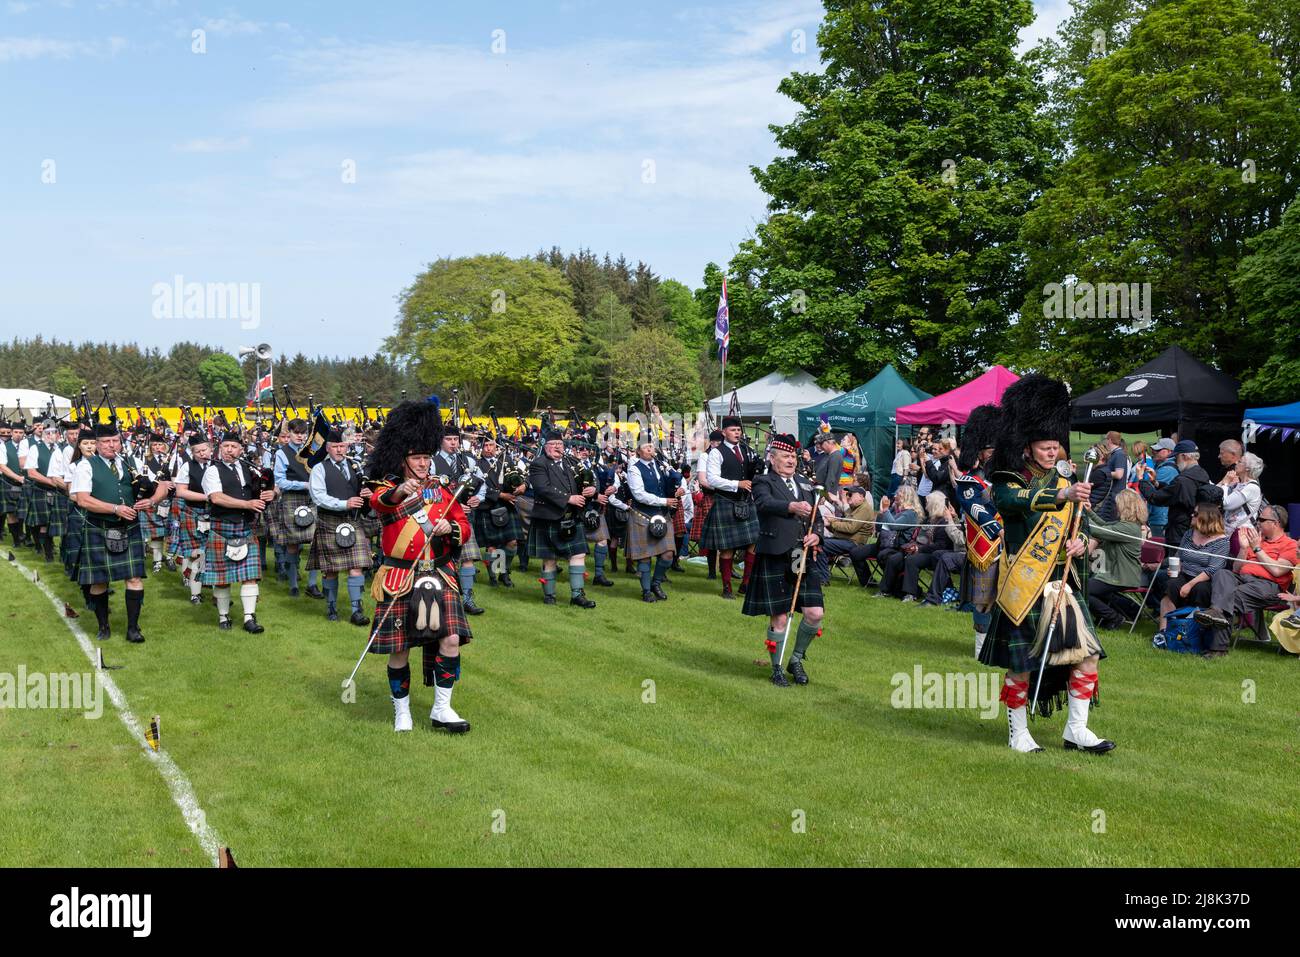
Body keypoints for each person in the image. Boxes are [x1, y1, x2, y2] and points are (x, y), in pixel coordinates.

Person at [978, 375, 1113, 755]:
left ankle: (1077, 730)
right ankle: (1018, 733)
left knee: (1086, 656)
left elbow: (1084, 527)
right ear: (1027, 447)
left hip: (1061, 581)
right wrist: (1062, 494)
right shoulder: (1008, 479)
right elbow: (1014, 501)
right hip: (1025, 579)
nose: (1052, 453)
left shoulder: (1068, 479)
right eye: (1045, 446)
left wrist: (1081, 543)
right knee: (1021, 663)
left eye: (1056, 446)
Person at [364, 400, 473, 734]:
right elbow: (380, 503)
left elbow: (464, 526)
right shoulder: (387, 488)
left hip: (439, 573)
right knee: (399, 648)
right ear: (403, 460)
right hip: (401, 575)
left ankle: (442, 709)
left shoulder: (442, 489)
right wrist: (401, 489)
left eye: (427, 457)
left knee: (451, 639)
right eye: (417, 458)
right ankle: (402, 713)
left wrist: (449, 530)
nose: (424, 463)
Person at [70, 422, 169, 643]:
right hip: (100, 527)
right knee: (99, 581)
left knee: (134, 578)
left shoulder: (132, 462)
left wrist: (152, 500)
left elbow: (163, 485)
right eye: (105, 441)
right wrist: (115, 508)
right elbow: (83, 499)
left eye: (115, 441)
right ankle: (103, 625)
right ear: (96, 444)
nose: (111, 445)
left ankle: (133, 628)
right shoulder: (86, 466)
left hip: (130, 528)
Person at [742, 433, 825, 687]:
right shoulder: (762, 481)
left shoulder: (806, 484)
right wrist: (791, 507)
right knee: (779, 616)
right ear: (773, 458)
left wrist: (817, 536)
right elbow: (764, 504)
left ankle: (796, 659)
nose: (791, 460)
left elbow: (816, 517)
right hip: (776, 552)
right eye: (785, 456)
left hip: (802, 555)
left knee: (814, 613)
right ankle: (777, 666)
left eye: (793, 456)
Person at [1195, 505, 1297, 658]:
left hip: (1267, 586)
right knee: (1223, 573)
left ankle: (1218, 648)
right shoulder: (1257, 540)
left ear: (1275, 523)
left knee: (1227, 598)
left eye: (1262, 519)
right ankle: (1216, 612)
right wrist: (1243, 549)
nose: (1257, 522)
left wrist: (1257, 549)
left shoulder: (1290, 544)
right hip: (1242, 579)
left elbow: (1277, 571)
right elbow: (1236, 568)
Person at [201, 430, 276, 632]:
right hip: (222, 527)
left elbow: (261, 491)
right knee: (222, 578)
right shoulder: (212, 471)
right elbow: (216, 497)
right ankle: (224, 616)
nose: (229, 450)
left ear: (241, 449)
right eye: (225, 446)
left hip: (245, 527)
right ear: (219, 449)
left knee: (249, 575)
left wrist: (271, 492)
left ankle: (249, 618)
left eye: (233, 446)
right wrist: (247, 504)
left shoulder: (247, 469)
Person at [307, 429, 373, 625]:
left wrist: (366, 494)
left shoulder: (355, 466)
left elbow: (360, 491)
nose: (339, 450)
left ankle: (356, 610)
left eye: (342, 446)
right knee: (331, 570)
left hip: (353, 522)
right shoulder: (319, 469)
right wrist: (345, 503)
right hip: (330, 522)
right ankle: (331, 607)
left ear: (347, 446)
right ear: (328, 448)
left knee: (356, 567)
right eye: (335, 446)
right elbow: (318, 497)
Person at [527, 428, 597, 608]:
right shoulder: (539, 464)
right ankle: (549, 594)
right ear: (545, 447)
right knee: (550, 558)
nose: (557, 447)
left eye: (560, 444)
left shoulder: (571, 461)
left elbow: (588, 479)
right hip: (549, 517)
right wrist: (568, 498)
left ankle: (577, 595)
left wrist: (592, 489)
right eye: (553, 444)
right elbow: (543, 489)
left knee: (579, 554)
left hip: (572, 516)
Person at [700, 416, 761, 600]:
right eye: (733, 430)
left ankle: (746, 583)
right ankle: (726, 587)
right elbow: (713, 479)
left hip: (745, 502)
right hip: (726, 502)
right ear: (724, 432)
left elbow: (748, 474)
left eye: (738, 430)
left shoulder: (744, 450)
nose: (737, 433)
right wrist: (737, 484)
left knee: (754, 543)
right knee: (727, 548)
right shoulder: (716, 453)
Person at [432, 425, 486, 615]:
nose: (453, 443)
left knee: (468, 558)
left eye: (456, 439)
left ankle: (468, 599)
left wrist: (478, 498)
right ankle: (445, 598)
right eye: (449, 439)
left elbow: (482, 483)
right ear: (441, 440)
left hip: (462, 518)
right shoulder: (432, 462)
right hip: (440, 519)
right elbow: (429, 490)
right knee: (443, 560)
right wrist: (452, 507)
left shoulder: (468, 460)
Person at [624, 435, 685, 602]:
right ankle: (646, 591)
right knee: (644, 556)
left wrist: (678, 490)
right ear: (638, 451)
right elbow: (639, 494)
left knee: (667, 555)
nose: (651, 450)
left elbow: (675, 481)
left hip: (661, 515)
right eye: (646, 447)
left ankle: (655, 583)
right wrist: (664, 501)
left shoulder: (660, 465)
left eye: (652, 447)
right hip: (642, 516)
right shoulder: (634, 468)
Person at [1155, 503, 1229, 635]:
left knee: (1199, 590)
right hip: (1185, 573)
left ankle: (1191, 633)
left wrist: (1189, 585)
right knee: (1171, 586)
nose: (1191, 515)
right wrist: (1175, 569)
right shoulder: (1189, 534)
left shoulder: (1222, 542)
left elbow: (1213, 569)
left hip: (1205, 579)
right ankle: (1164, 632)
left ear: (1206, 518)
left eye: (1195, 514)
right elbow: (1180, 556)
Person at [1084, 488, 1147, 629]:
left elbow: (1099, 531)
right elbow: (1104, 525)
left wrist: (1080, 517)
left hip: (1122, 576)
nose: (1115, 507)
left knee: (1083, 589)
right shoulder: (1125, 525)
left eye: (1118, 504)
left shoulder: (1129, 528)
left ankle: (1114, 617)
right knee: (1086, 586)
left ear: (1126, 507)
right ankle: (1109, 617)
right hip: (1113, 574)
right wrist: (1088, 511)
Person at [271, 419, 319, 598]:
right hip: (292, 498)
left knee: (316, 541)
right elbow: (280, 481)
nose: (300, 436)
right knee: (293, 543)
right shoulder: (282, 453)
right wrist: (304, 485)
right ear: (288, 433)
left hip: (312, 499)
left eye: (303, 433)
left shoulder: (312, 453)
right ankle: (293, 584)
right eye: (296, 432)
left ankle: (312, 584)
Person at [474, 436, 526, 588]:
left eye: (492, 445)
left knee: (512, 543)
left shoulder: (506, 460)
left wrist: (522, 486)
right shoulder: (476, 463)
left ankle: (504, 572)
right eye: (486, 446)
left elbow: (521, 476)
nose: (489, 448)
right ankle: (493, 577)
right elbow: (476, 484)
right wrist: (500, 495)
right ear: (480, 447)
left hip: (507, 507)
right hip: (488, 507)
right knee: (493, 546)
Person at [1141, 440, 1212, 550]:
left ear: (1184, 456)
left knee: (1175, 563)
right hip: (1196, 527)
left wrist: (1141, 479)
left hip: (1180, 531)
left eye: (1176, 458)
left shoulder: (1183, 480)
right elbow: (1176, 493)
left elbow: (1155, 498)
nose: (1175, 461)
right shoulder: (1202, 474)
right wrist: (1156, 483)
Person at [168, 433, 212, 606]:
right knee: (197, 554)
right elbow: (181, 492)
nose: (202, 454)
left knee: (213, 554)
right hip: (194, 512)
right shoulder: (187, 467)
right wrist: (207, 497)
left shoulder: (217, 465)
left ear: (211, 448)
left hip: (216, 514)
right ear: (192, 453)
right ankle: (195, 594)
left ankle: (215, 589)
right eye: (197, 451)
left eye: (204, 450)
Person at [22, 421, 69, 562]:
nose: (50, 435)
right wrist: (52, 482)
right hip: (42, 490)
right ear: (42, 435)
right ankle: (48, 553)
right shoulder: (36, 448)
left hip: (61, 493)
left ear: (58, 434)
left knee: (63, 525)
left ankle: (63, 554)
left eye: (53, 433)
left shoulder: (62, 449)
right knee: (44, 524)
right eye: (47, 433)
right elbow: (31, 473)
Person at [873, 485, 922, 598]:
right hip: (892, 545)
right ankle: (894, 584)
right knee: (882, 555)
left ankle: (885, 590)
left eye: (897, 494)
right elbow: (879, 527)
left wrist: (886, 510)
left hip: (905, 549)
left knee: (891, 559)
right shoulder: (895, 510)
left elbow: (894, 526)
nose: (894, 496)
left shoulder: (910, 514)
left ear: (905, 496)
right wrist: (882, 512)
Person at [1219, 452, 1265, 557]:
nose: (1236, 462)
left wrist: (1225, 483)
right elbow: (1217, 494)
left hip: (1241, 533)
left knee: (1235, 563)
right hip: (1230, 530)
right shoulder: (1240, 484)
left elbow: (1226, 504)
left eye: (1240, 461)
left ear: (1247, 469)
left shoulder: (1251, 487)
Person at [1087, 430, 1127, 521]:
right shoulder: (1115, 454)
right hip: (1109, 494)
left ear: (1109, 440)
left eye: (1105, 439)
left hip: (1115, 495)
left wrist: (1102, 473)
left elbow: (1119, 474)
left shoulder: (1119, 454)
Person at [1143, 438, 1177, 539]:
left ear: (1170, 451)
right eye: (1155, 450)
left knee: (1158, 550)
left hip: (1159, 518)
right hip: (1160, 517)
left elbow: (1152, 494)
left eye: (1159, 450)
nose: (1154, 452)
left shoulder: (1167, 470)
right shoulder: (1162, 467)